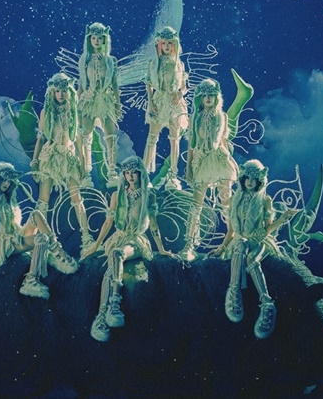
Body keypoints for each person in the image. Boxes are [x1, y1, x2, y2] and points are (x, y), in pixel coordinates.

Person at [80, 156, 175, 342]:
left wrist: (162, 249)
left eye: (134, 172)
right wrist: (95, 246)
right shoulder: (117, 196)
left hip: (136, 241)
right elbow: (108, 222)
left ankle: (114, 302)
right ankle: (102, 315)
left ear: (141, 174)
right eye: (127, 173)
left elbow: (153, 224)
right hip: (118, 238)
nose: (131, 176)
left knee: (117, 255)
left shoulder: (149, 195)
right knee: (110, 268)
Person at [208, 159, 297, 339]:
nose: (249, 181)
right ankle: (234, 293)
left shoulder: (265, 200)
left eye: (254, 178)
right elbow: (231, 231)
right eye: (247, 177)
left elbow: (267, 229)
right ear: (242, 178)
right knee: (240, 244)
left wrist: (283, 219)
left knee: (251, 259)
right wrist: (221, 248)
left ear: (260, 180)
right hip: (239, 242)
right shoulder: (235, 199)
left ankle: (267, 303)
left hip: (258, 239)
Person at [0, 161, 78, 299]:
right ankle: (30, 280)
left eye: (9, 180)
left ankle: (58, 251)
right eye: (3, 179)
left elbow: (14, 222)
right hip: (5, 242)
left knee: (36, 214)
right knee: (41, 238)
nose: (6, 183)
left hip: (17, 234)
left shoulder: (8, 195)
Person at [30, 72, 93, 257]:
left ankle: (86, 237)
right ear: (52, 92)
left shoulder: (74, 111)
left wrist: (83, 161)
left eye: (64, 91)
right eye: (57, 91)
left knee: (76, 197)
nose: (60, 94)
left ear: (69, 92)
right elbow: (41, 138)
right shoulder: (46, 112)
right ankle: (39, 237)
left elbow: (79, 139)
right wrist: (34, 160)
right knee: (43, 199)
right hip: (49, 156)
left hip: (68, 156)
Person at [182, 78, 238, 262]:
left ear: (216, 97)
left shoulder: (222, 116)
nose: (208, 98)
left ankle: (232, 240)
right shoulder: (194, 118)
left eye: (211, 95)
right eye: (205, 95)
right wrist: (189, 167)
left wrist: (230, 160)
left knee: (226, 201)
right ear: (200, 97)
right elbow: (192, 144)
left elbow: (221, 141)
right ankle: (189, 245)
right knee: (196, 205)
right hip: (201, 161)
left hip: (219, 159)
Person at [143, 26, 188, 189]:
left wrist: (180, 94)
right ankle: (145, 174)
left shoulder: (179, 64)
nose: (167, 46)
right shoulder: (154, 63)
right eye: (164, 43)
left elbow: (184, 86)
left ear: (175, 44)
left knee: (174, 140)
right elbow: (149, 85)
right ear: (159, 44)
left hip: (174, 104)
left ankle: (173, 175)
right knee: (152, 138)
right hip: (159, 100)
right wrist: (150, 103)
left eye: (170, 43)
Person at [77, 22, 123, 187]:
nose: (96, 41)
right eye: (93, 38)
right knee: (85, 136)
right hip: (88, 99)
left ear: (104, 40)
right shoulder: (85, 60)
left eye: (99, 38)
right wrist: (77, 103)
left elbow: (115, 84)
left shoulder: (110, 61)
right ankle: (86, 174)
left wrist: (117, 104)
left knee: (110, 136)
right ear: (89, 40)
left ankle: (112, 173)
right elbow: (82, 83)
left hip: (105, 100)